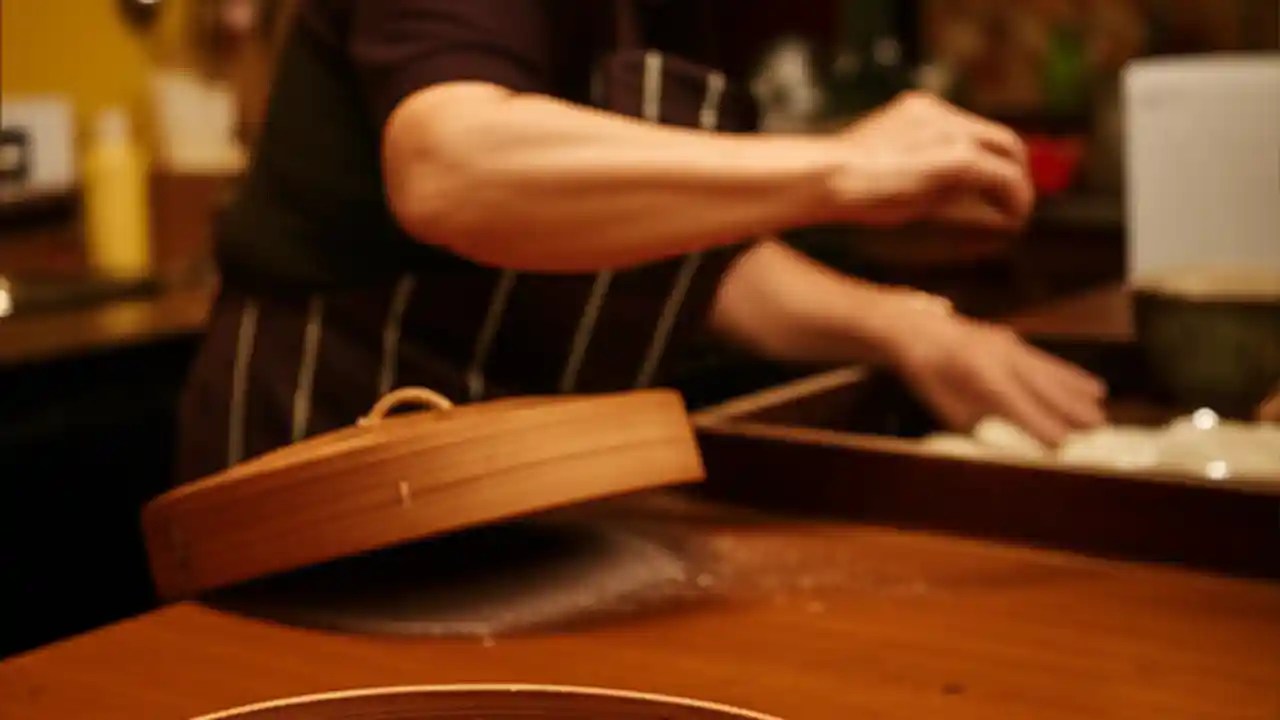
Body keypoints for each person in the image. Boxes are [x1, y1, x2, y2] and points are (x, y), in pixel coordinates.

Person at [176, 0, 1107, 484]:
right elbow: (452, 167)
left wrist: (909, 329)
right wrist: (834, 170)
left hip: (537, 492)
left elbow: (673, 256)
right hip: (333, 471)